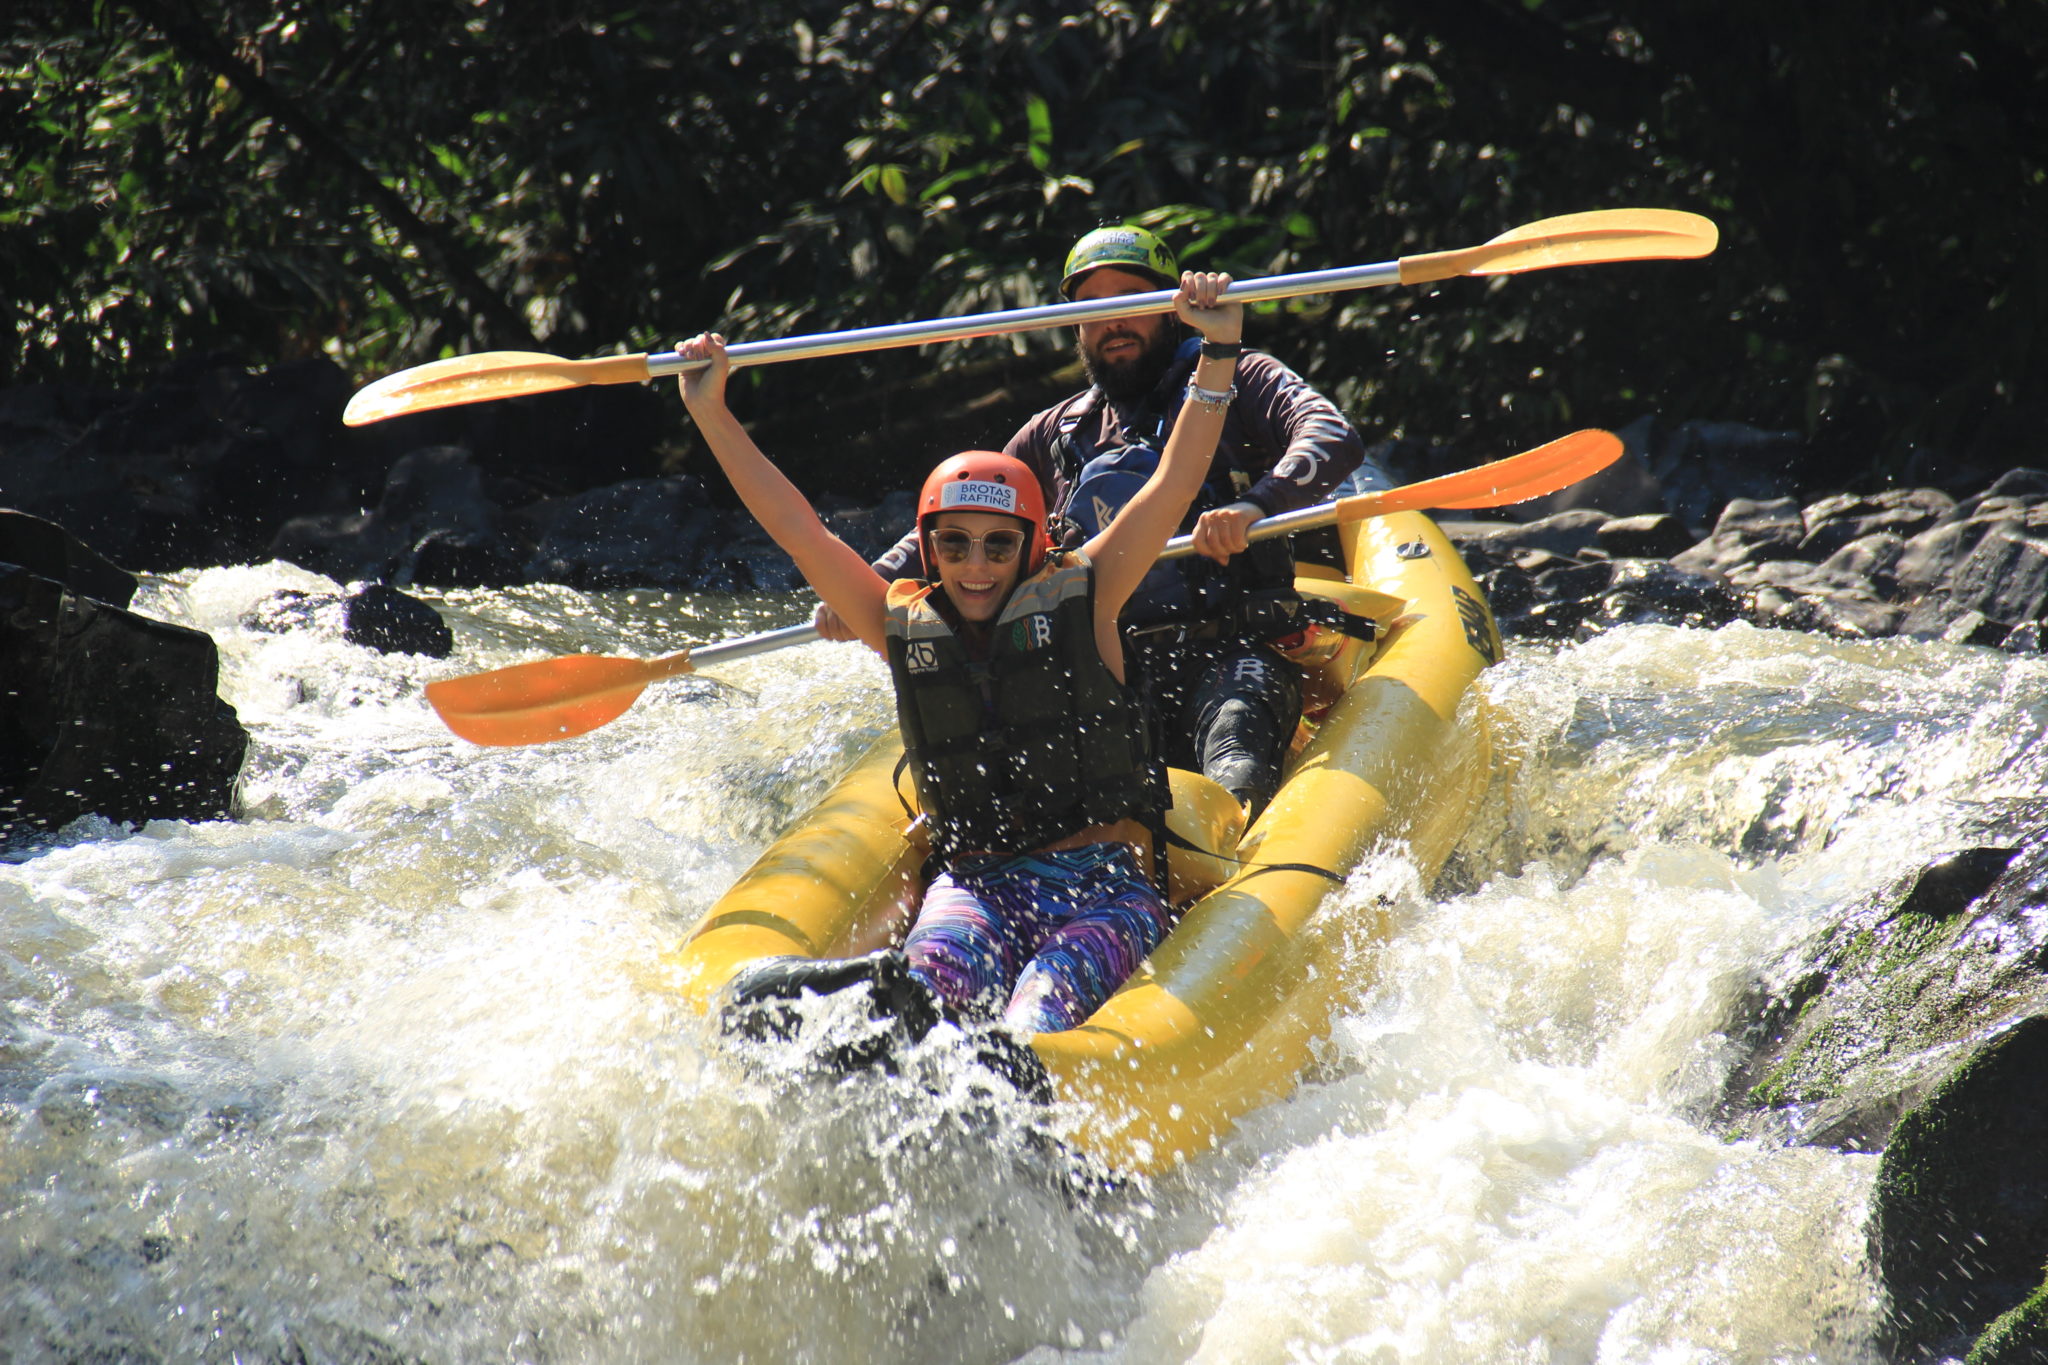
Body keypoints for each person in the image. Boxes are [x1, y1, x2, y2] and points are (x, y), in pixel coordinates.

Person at [675, 271, 1244, 1040]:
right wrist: (710, 413)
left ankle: (1015, 1064)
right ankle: (854, 1021)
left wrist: (1217, 350)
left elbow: (1174, 482)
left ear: (1034, 546)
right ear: (930, 550)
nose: (976, 566)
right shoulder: (897, 620)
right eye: (955, 544)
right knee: (924, 984)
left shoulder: (1091, 592)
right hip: (974, 884)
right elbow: (799, 529)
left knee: (1036, 1010)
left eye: (998, 546)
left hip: (1104, 888)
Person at [817, 223, 1382, 818]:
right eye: (1094, 308)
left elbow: (1333, 436)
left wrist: (1256, 505)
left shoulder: (1239, 376)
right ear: (1077, 326)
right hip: (1096, 662)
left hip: (1230, 648)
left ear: (1170, 308)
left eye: (1130, 301)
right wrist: (861, 588)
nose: (1114, 321)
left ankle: (1243, 863)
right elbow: (956, 517)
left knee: (1236, 749)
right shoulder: (1053, 432)